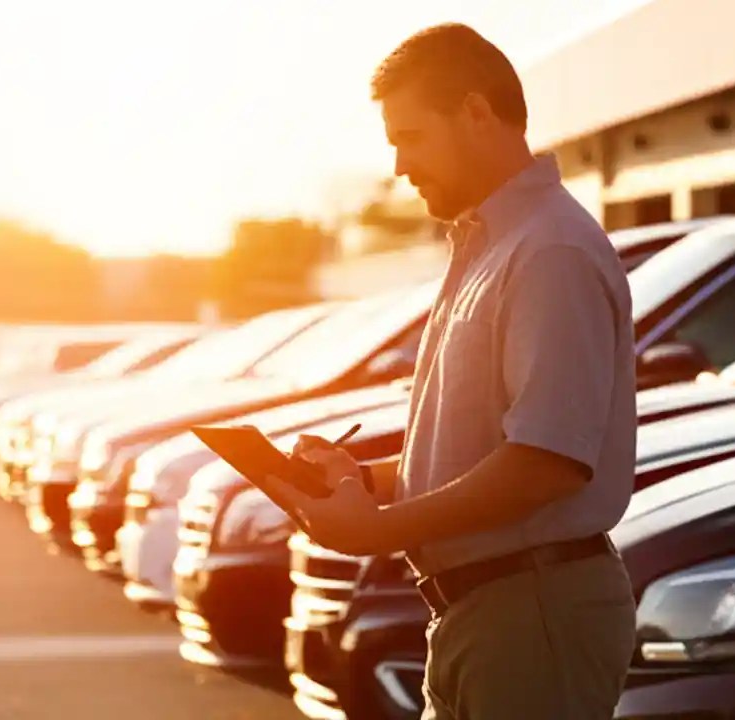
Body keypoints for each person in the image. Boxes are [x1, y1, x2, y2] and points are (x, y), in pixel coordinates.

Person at [269, 22, 638, 720]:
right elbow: (484, 449)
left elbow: (548, 465)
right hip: (492, 616)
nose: (401, 167)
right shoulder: (493, 244)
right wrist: (361, 478)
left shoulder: (549, 251)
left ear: (475, 112)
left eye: (410, 138)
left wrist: (376, 531)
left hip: (532, 619)